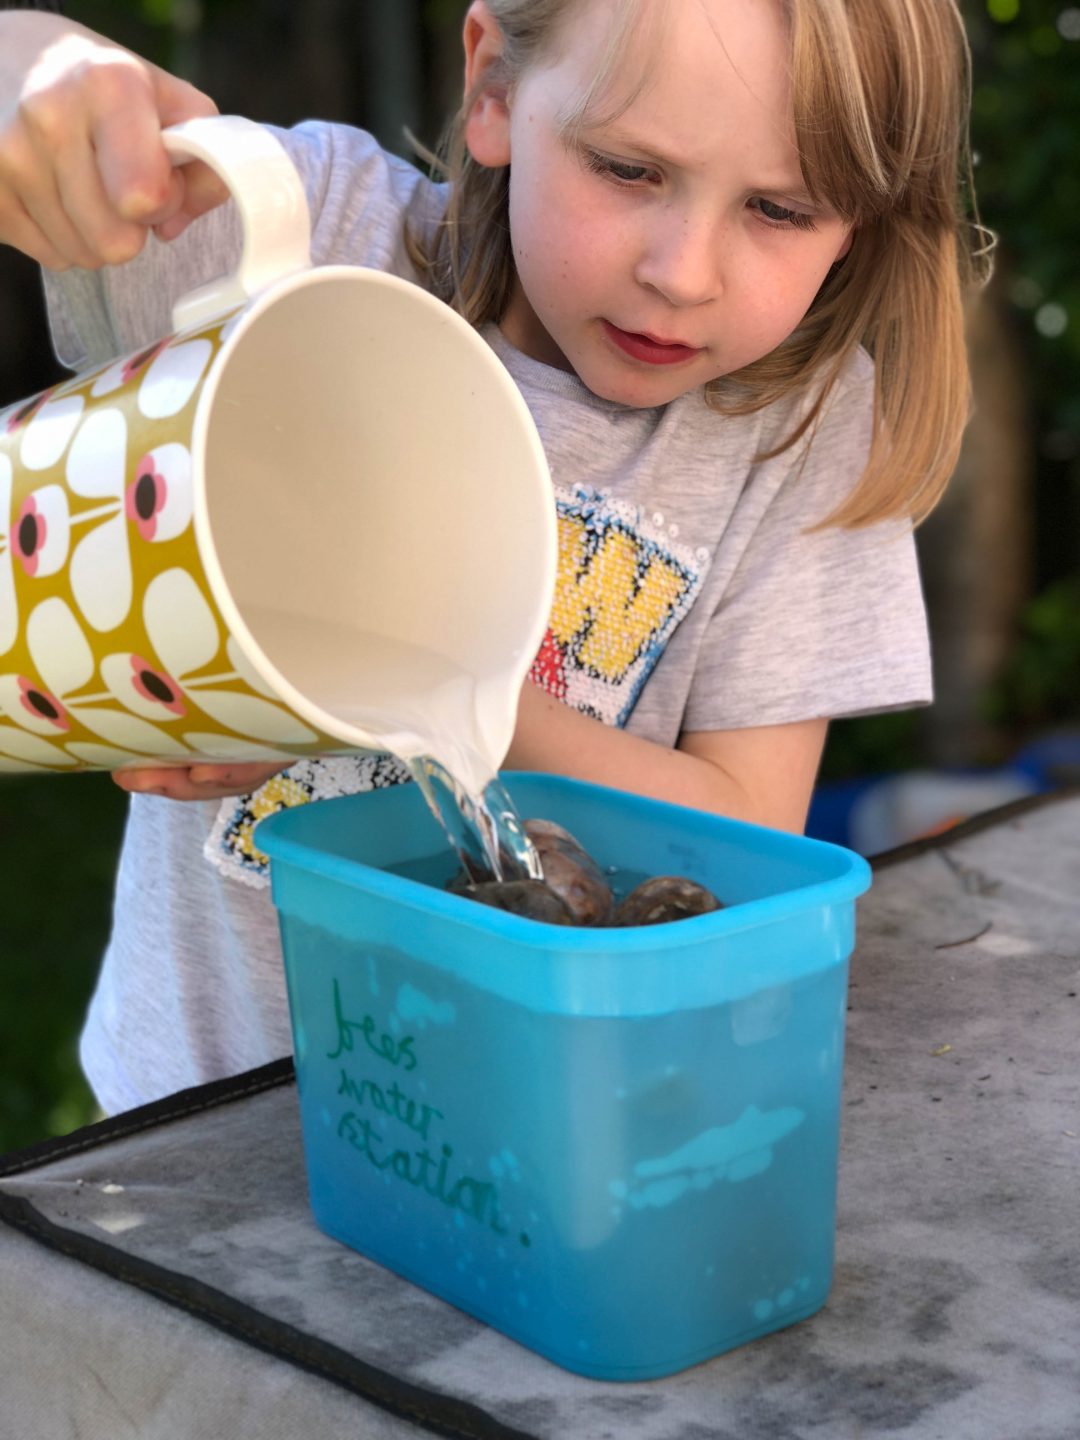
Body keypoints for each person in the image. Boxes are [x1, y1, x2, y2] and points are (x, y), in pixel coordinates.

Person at [0, 0, 987, 1115]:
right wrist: (32, 70)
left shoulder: (798, 432)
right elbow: (45, 115)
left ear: (856, 223)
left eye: (779, 207)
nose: (684, 271)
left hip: (525, 1134)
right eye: (628, 169)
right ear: (496, 92)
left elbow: (745, 837)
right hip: (191, 1127)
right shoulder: (308, 233)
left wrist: (433, 684)